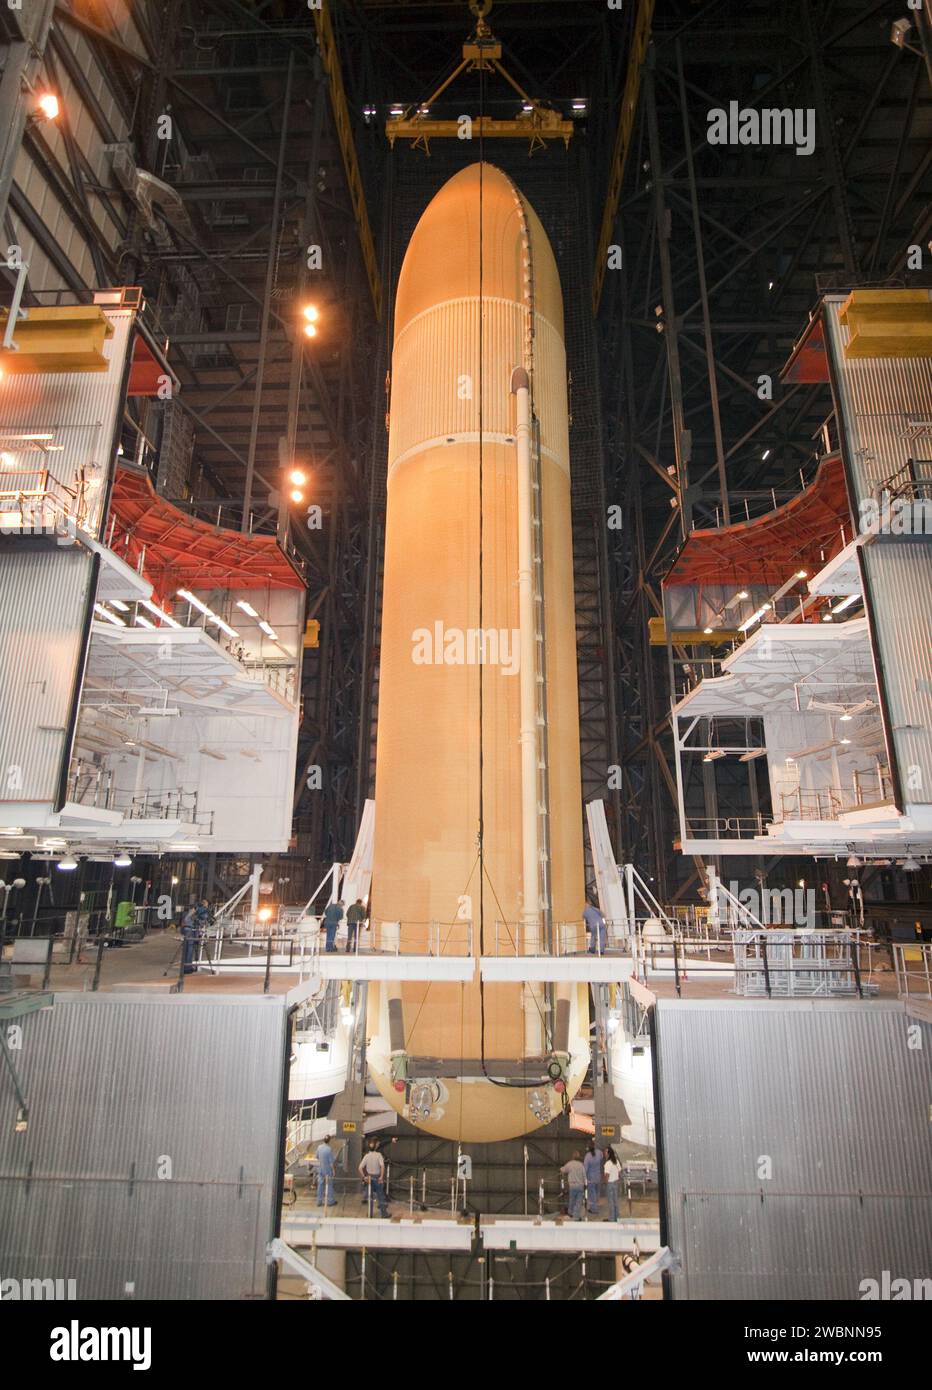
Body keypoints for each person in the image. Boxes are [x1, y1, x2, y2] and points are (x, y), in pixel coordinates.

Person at [359, 1139, 390, 1217]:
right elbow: (382, 1166)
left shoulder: (366, 1156)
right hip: (377, 1178)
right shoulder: (379, 1155)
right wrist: (381, 1177)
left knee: (370, 1196)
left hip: (369, 1178)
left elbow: (360, 1167)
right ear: (376, 1147)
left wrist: (364, 1177)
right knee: (381, 1196)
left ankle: (370, 1214)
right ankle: (384, 1214)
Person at [560, 1151, 586, 1221]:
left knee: (572, 1200)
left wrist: (561, 1170)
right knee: (579, 1201)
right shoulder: (581, 1165)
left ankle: (570, 1214)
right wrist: (585, 1184)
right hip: (580, 1186)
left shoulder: (570, 1164)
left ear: (572, 1157)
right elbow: (584, 1175)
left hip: (572, 1186)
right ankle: (576, 1215)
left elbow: (562, 1169)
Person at [315, 1135, 337, 1207]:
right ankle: (330, 1201)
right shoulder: (329, 1149)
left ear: (323, 1140)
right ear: (329, 1141)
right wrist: (334, 1170)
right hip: (328, 1170)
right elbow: (331, 1162)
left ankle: (319, 1201)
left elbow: (317, 1157)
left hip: (320, 1169)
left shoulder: (319, 1147)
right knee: (329, 1185)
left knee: (320, 1185)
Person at [583, 1141, 604, 1214]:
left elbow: (585, 1169)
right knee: (597, 1193)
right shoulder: (599, 1152)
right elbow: (602, 1157)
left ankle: (594, 1209)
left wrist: (584, 1178)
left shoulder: (587, 1156)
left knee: (592, 1194)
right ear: (594, 1145)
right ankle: (596, 1206)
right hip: (598, 1176)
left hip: (590, 1179)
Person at [604, 1145, 622, 1222]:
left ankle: (612, 1219)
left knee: (611, 1202)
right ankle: (617, 1217)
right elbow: (620, 1171)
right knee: (616, 1201)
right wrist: (616, 1177)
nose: (604, 1153)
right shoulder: (616, 1161)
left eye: (605, 1152)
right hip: (616, 1183)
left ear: (608, 1153)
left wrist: (605, 1182)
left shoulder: (608, 1163)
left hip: (610, 1184)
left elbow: (607, 1175)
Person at [180, 904, 198, 975]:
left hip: (186, 931)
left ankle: (185, 967)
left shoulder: (186, 913)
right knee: (189, 950)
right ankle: (188, 968)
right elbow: (187, 920)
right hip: (189, 931)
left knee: (186, 949)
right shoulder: (191, 913)